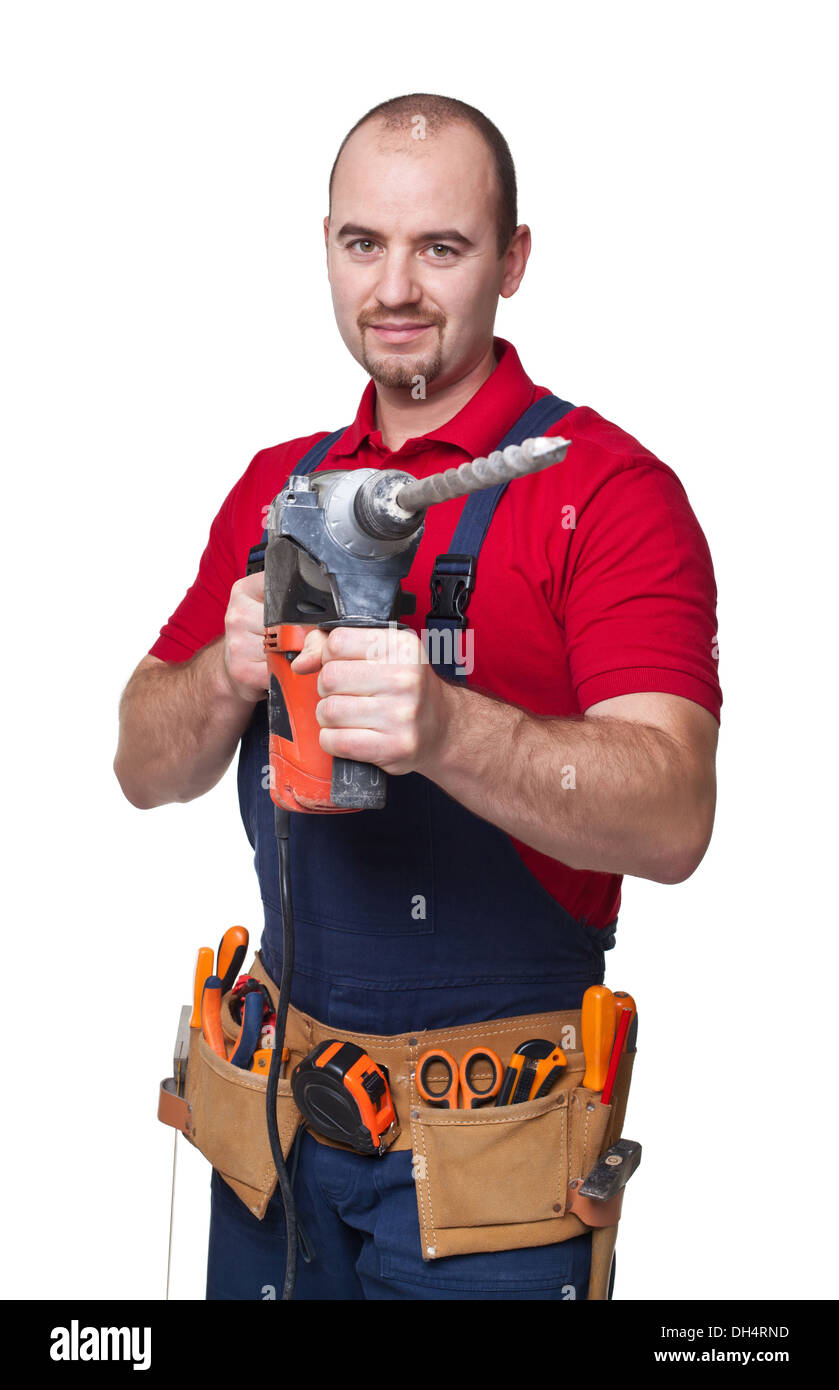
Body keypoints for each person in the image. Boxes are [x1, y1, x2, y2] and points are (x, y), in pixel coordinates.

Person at [114, 93, 721, 1301]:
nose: (394, 286)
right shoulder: (275, 489)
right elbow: (142, 765)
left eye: (439, 247)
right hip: (276, 1126)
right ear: (328, 247)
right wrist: (226, 673)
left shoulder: (602, 493)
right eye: (363, 245)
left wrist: (445, 726)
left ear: (511, 259)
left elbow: (671, 818)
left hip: (486, 1161)